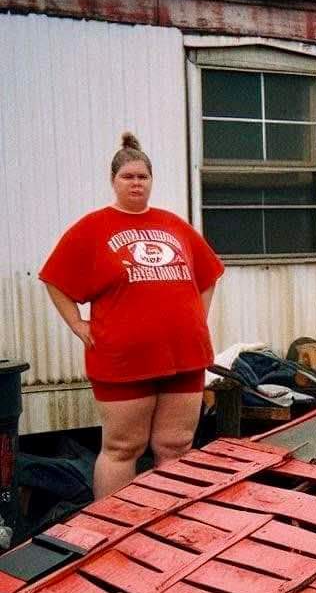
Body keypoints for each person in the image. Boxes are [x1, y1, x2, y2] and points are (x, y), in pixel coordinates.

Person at [40, 132, 224, 500]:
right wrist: (77, 324)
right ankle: (112, 533)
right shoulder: (93, 228)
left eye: (143, 176)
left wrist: (197, 320)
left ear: (151, 181)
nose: (136, 183)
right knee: (124, 447)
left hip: (184, 356)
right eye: (128, 177)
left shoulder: (174, 225)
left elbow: (208, 275)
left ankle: (168, 529)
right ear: (113, 181)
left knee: (176, 446)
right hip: (122, 360)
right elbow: (54, 278)